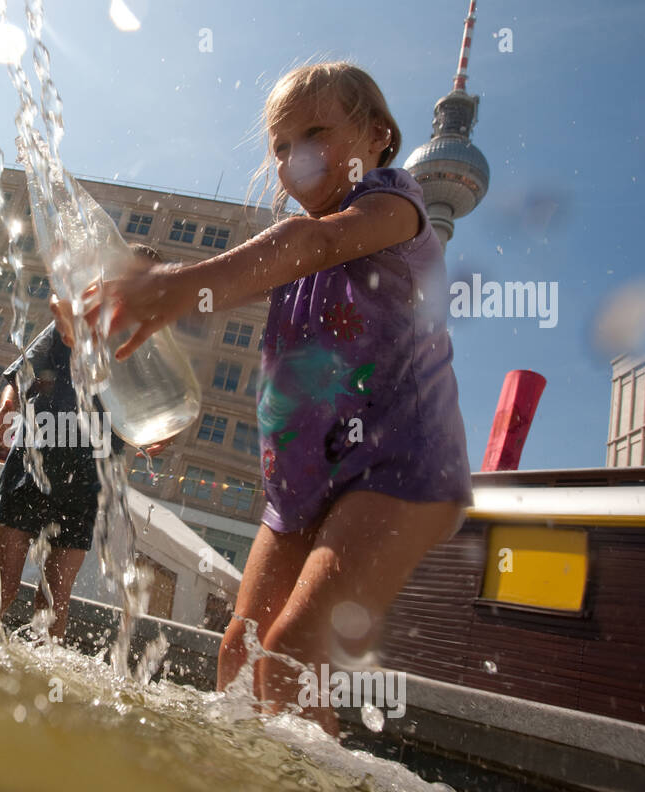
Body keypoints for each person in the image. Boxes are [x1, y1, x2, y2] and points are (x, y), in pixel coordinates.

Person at [55, 62, 474, 733]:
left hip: (400, 469)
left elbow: (314, 241)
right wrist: (113, 338)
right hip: (304, 485)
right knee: (238, 655)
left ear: (377, 134)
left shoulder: (396, 206)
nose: (294, 156)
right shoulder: (291, 267)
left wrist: (166, 285)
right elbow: (252, 315)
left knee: (290, 663)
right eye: (280, 147)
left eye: (315, 132)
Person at [0, 244, 170, 642]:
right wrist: (6, 409)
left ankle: (41, 687)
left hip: (89, 480)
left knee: (54, 597)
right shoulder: (72, 322)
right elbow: (21, 374)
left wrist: (153, 436)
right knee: (5, 581)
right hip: (35, 462)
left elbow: (154, 415)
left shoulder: (144, 348)